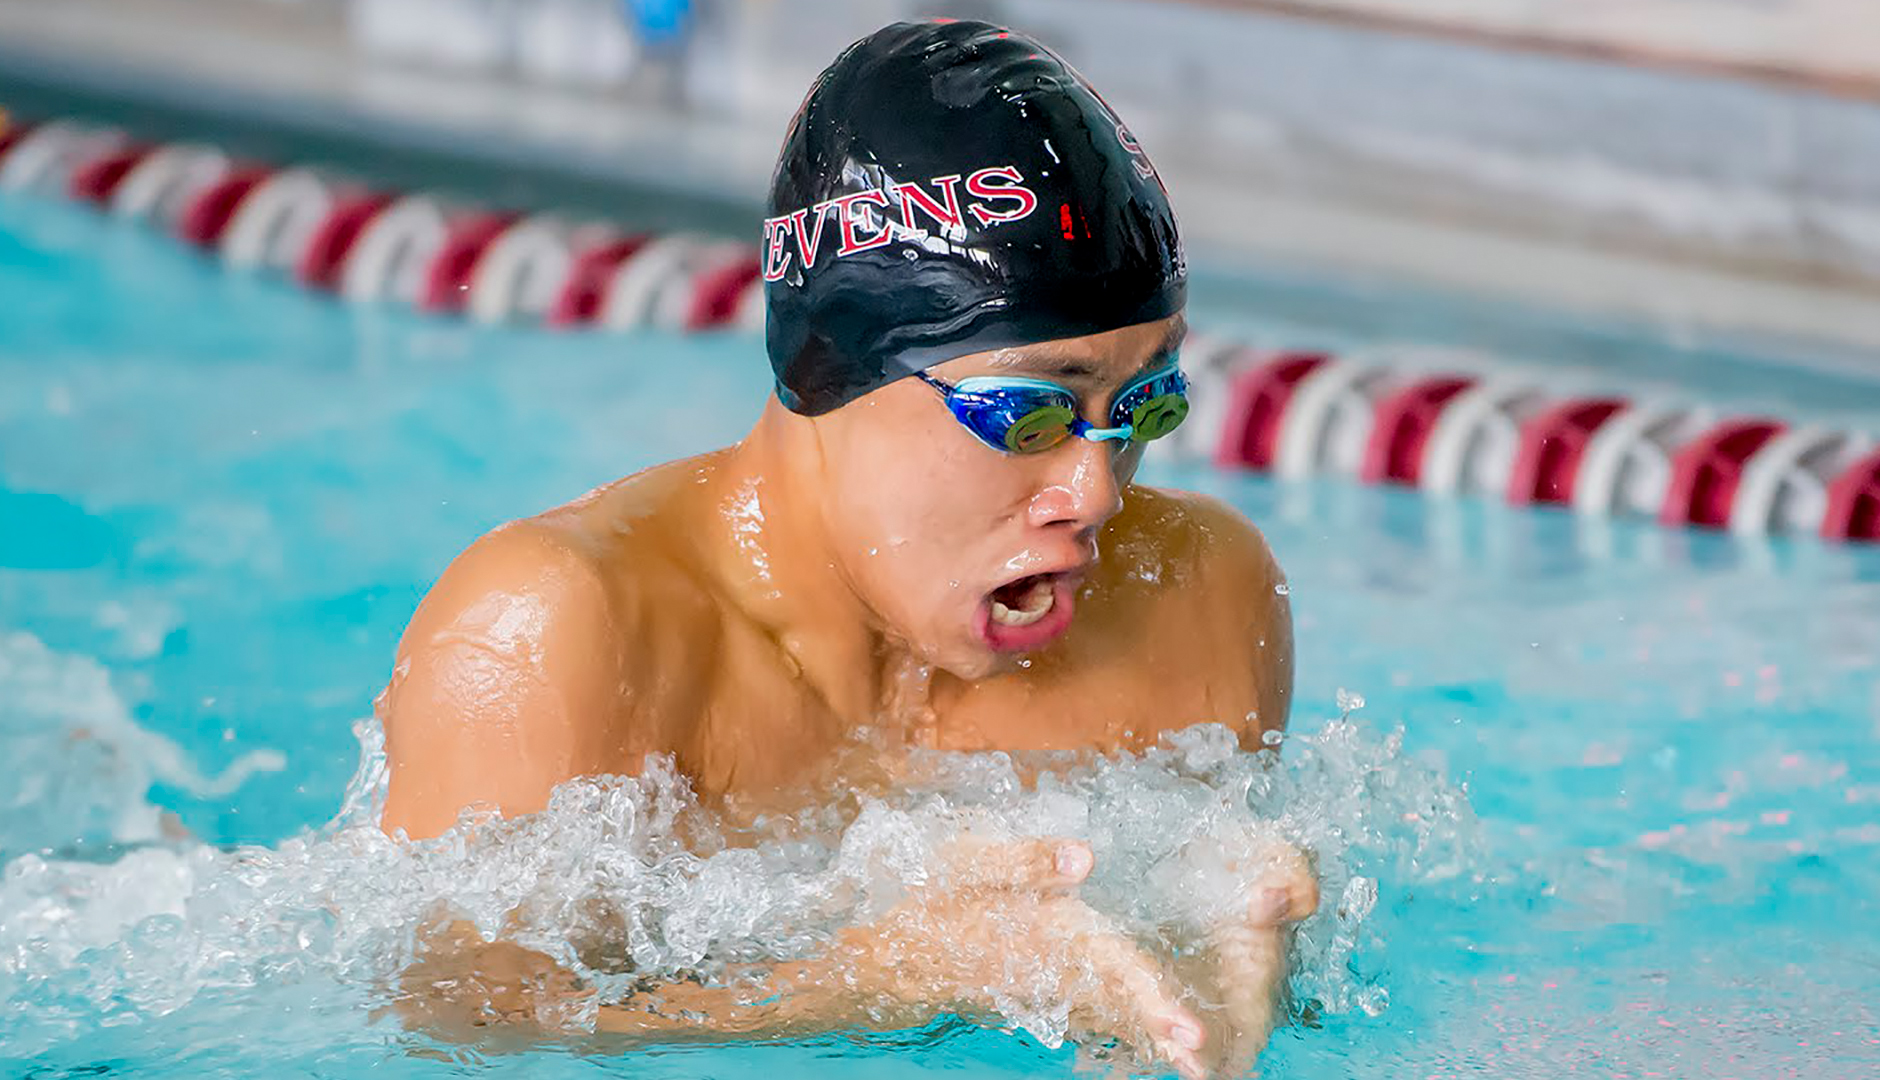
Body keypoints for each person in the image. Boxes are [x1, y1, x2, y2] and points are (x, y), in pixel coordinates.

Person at [379, 19, 1310, 1078]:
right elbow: (462, 1026)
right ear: (832, 369)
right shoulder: (552, 633)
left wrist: (1220, 1007)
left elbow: (1185, 995)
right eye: (1027, 414)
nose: (1093, 494)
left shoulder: (1194, 596)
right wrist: (875, 979)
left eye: (1143, 406)